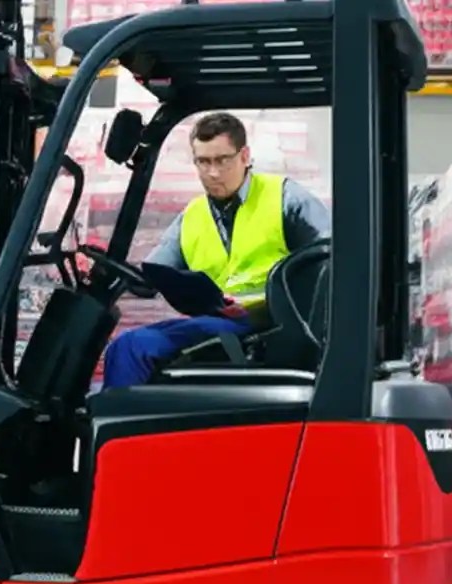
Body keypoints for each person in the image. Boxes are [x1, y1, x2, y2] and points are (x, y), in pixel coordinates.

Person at [101, 111, 332, 389]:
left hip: (272, 328)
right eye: (203, 162)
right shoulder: (193, 215)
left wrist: (265, 307)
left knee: (131, 348)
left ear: (244, 156)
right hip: (219, 322)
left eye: (222, 161)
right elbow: (153, 273)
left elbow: (329, 262)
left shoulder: (285, 198)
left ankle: (121, 429)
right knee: (123, 348)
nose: (212, 173)